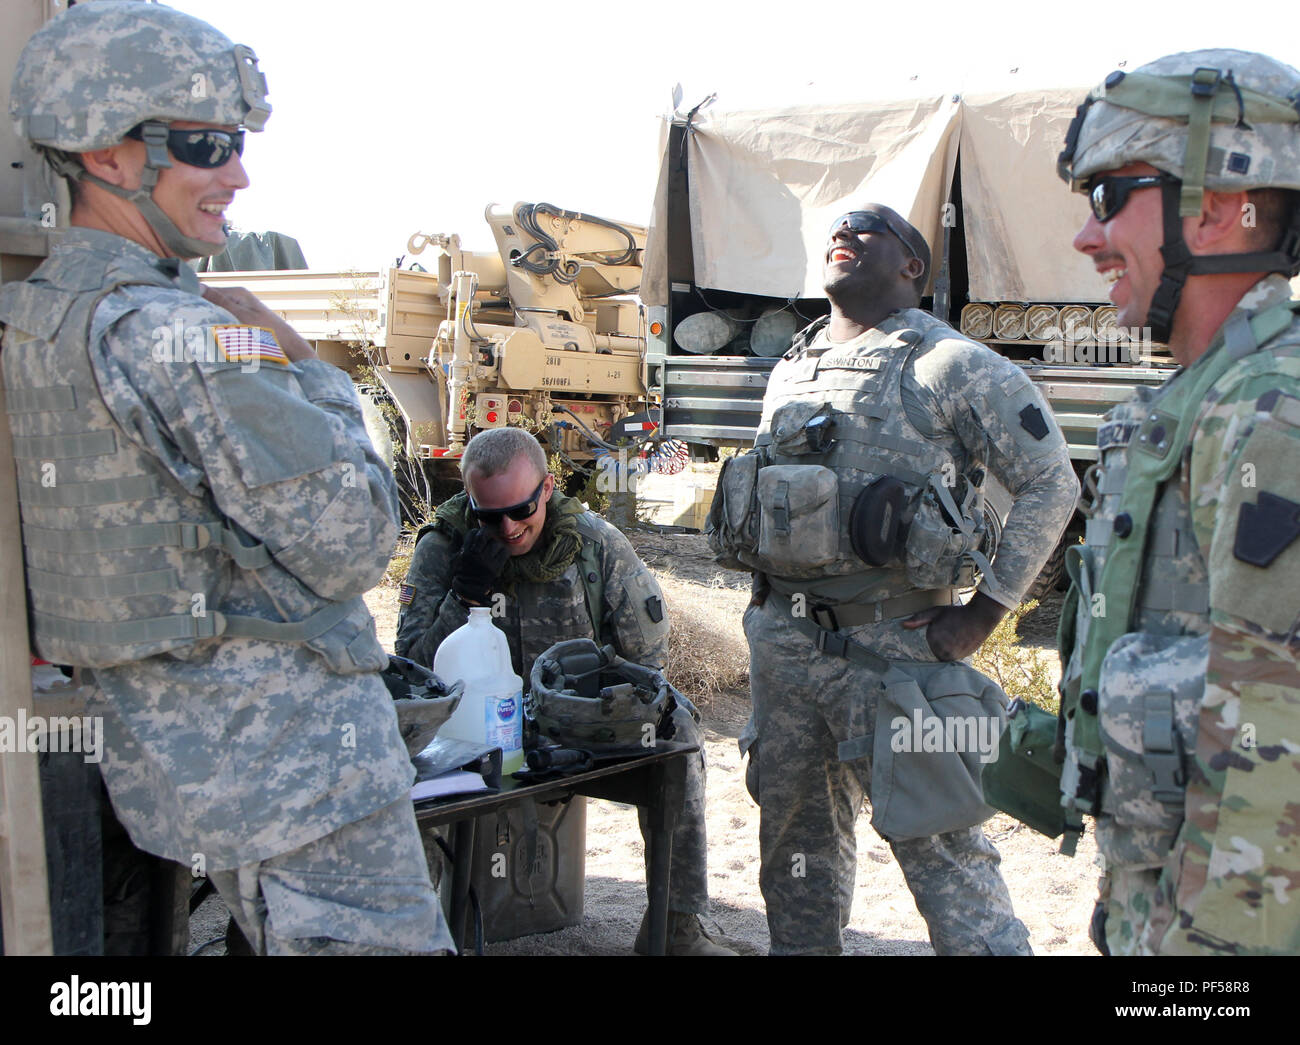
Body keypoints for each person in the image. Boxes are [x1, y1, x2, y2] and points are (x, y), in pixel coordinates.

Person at [1, 3, 452, 955]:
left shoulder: (41, 314)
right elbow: (359, 537)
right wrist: (314, 372)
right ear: (109, 154)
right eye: (206, 145)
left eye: (237, 143)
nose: (237, 175)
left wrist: (261, 347)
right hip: (297, 769)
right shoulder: (195, 336)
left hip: (179, 758)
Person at [727, 204, 1078, 955]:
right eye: (837, 230)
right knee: (794, 847)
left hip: (894, 651)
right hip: (782, 649)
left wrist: (984, 614)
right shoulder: (793, 363)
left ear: (913, 266)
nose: (844, 234)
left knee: (941, 842)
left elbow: (1052, 482)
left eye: (869, 229)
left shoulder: (949, 364)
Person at [1057, 49, 1300, 956]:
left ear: (1223, 202)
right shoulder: (1208, 394)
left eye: (1109, 198)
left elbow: (1276, 758)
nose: (1088, 238)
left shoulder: (1270, 408)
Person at [395, 426, 735, 955]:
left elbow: (645, 665)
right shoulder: (445, 547)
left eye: (520, 510)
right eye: (488, 516)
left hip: (573, 724)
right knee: (396, 761)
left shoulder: (593, 544)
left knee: (679, 730)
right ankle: (410, 937)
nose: (506, 528)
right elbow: (415, 675)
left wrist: (599, 708)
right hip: (473, 733)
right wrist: (466, 595)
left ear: (547, 489)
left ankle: (677, 926)